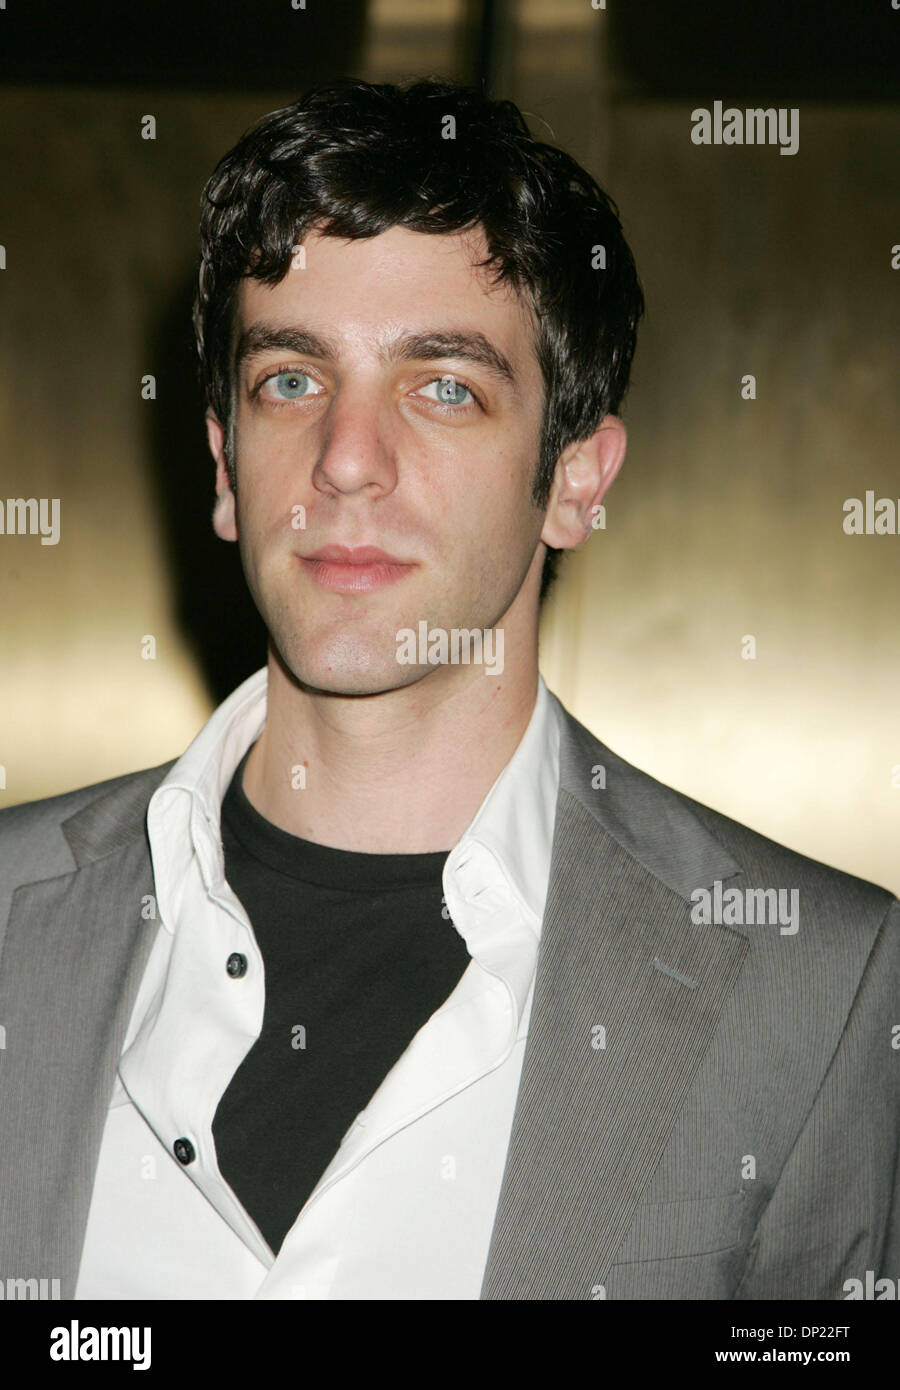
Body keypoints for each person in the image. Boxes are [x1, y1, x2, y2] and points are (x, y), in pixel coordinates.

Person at [0, 77, 896, 1302]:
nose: (348, 461)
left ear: (577, 477)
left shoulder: (824, 991)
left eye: (445, 387)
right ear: (222, 466)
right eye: (291, 380)